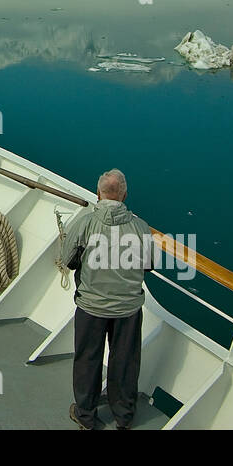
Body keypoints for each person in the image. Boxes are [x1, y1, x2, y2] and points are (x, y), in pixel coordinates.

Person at [60, 169, 153, 430]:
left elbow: (68, 260)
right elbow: (148, 264)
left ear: (98, 194)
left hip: (91, 307)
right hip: (128, 309)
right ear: (124, 195)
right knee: (124, 362)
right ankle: (124, 416)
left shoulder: (85, 224)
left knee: (88, 360)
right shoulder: (141, 227)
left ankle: (86, 416)